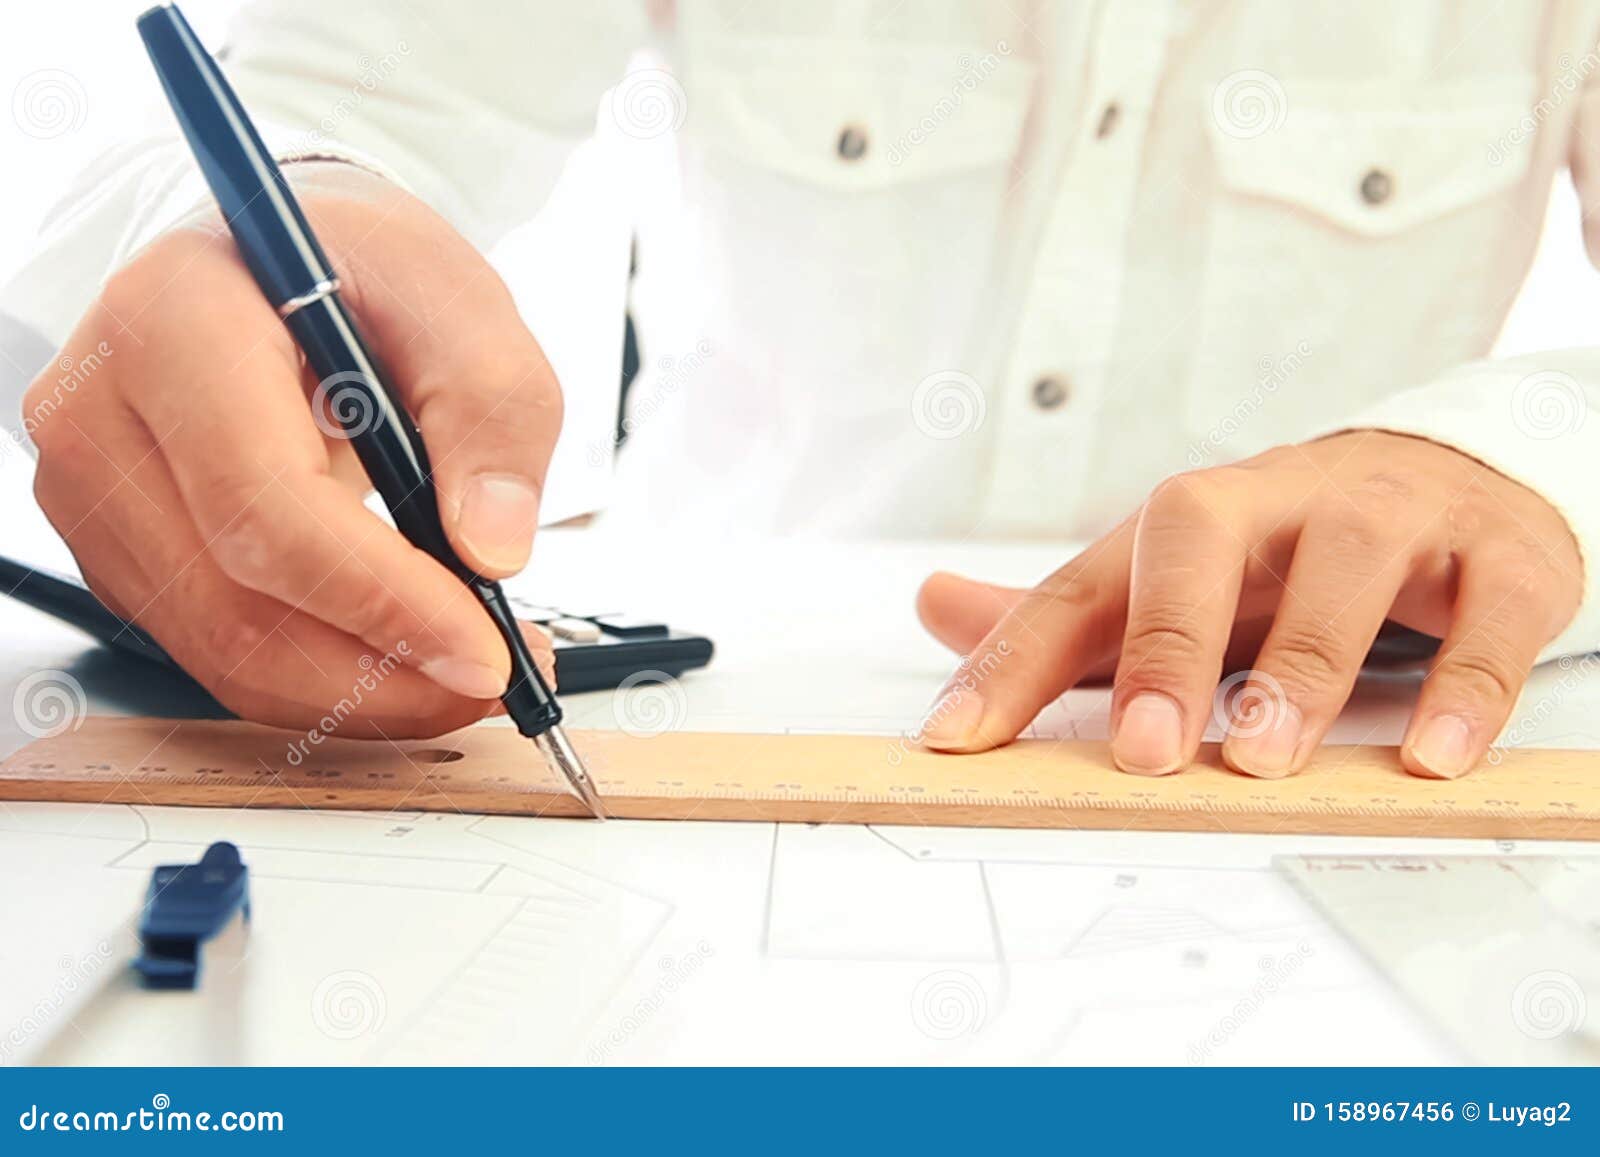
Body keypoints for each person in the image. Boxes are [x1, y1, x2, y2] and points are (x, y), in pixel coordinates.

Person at [5, 1, 1598, 781]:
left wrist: (1504, 459)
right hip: (718, 678)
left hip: (1348, 723)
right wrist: (259, 217)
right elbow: (319, 90)